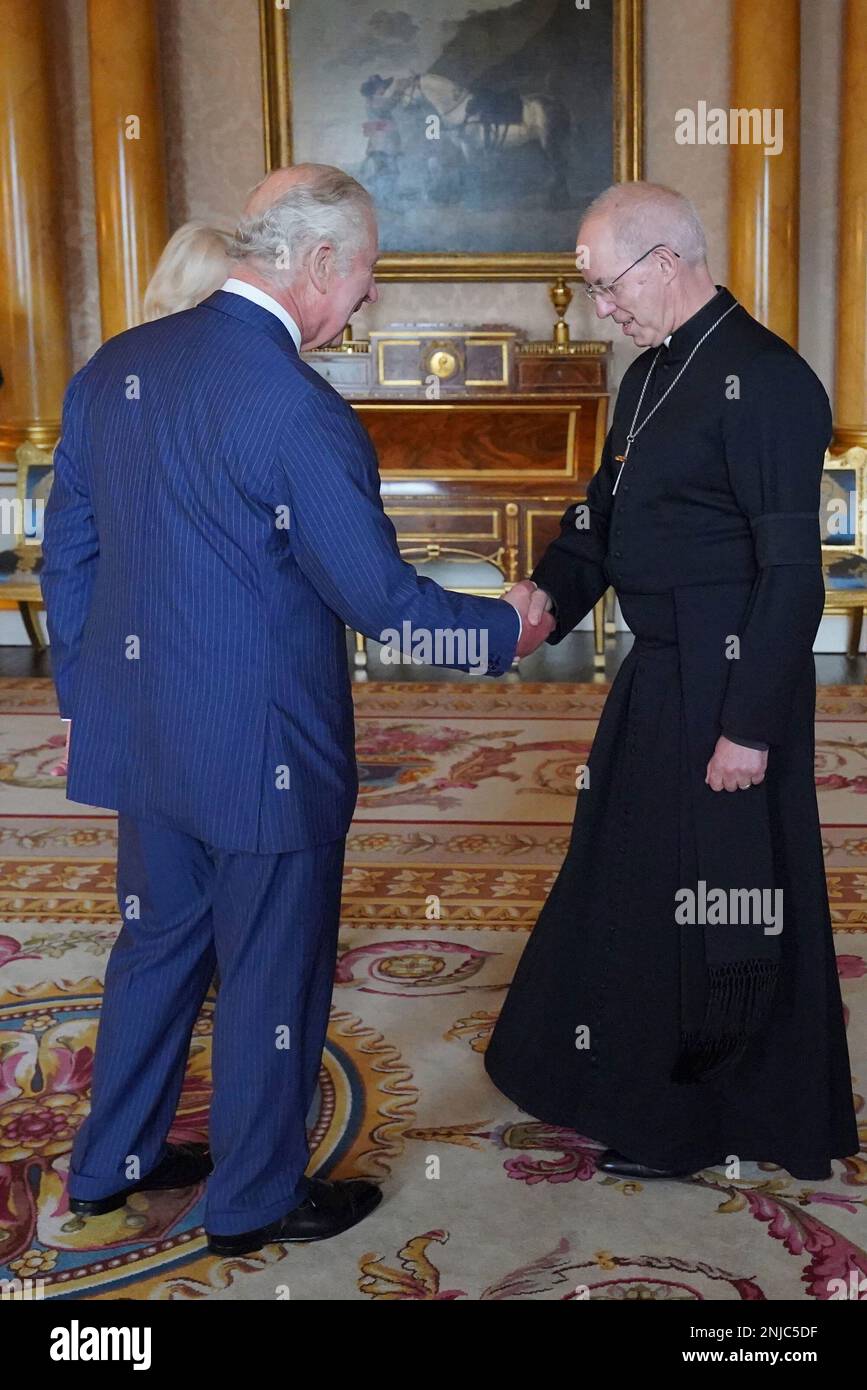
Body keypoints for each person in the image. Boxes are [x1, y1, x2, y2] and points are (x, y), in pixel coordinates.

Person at [40, 163, 552, 1258]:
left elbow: (69, 553)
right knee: (273, 968)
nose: (368, 295)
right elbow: (382, 604)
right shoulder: (299, 408)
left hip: (145, 739)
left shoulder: (115, 368)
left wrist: (91, 699)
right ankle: (255, 1199)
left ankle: (107, 1168)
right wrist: (506, 629)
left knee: (156, 950)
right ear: (316, 261)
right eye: (365, 270)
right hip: (261, 751)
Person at [485, 181, 860, 1182]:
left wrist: (747, 726)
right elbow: (596, 525)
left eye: (607, 285)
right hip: (657, 676)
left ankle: (699, 1120)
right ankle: (625, 1090)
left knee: (719, 905)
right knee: (633, 888)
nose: (600, 306)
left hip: (730, 682)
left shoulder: (771, 381)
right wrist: (544, 601)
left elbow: (793, 575)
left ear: (663, 261)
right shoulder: (647, 377)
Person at [48, 221, 233, 781]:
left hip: (133, 658)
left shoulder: (97, 381)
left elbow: (69, 555)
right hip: (226, 660)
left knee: (158, 846)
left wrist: (79, 701)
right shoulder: (253, 389)